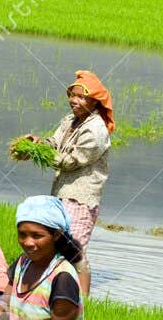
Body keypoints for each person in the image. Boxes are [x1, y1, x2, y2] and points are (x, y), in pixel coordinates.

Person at [22, 69, 112, 295]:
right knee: (55, 247)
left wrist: (39, 154)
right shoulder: (69, 121)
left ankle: (82, 301)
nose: (75, 101)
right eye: (73, 95)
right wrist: (38, 143)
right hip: (61, 195)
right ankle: (54, 294)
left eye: (82, 97)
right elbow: (55, 143)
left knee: (74, 251)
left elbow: (73, 161)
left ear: (94, 101)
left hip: (81, 198)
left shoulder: (96, 129)